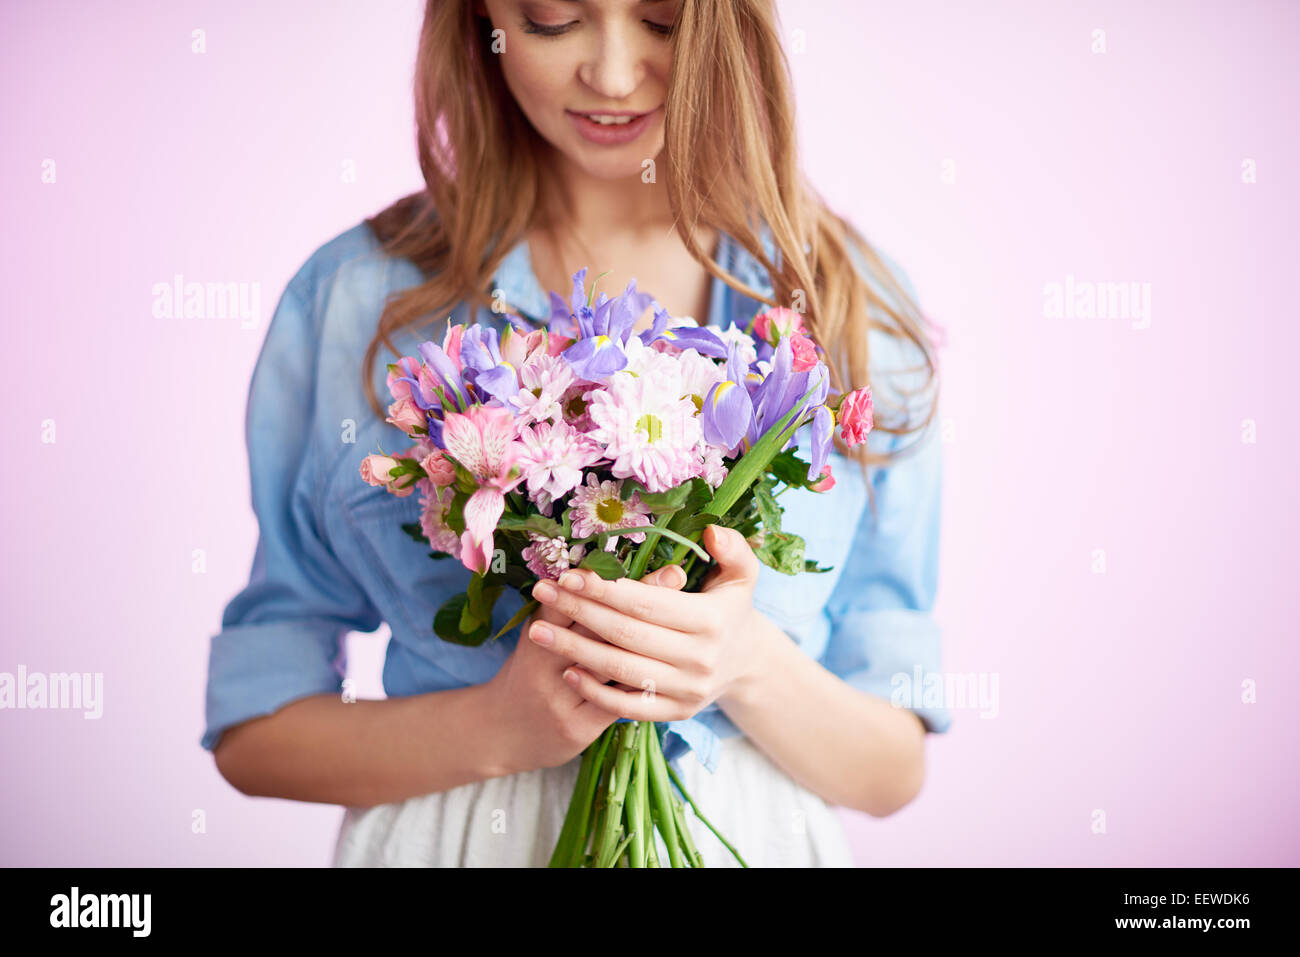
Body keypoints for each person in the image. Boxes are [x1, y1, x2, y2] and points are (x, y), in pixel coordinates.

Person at [202, 0, 952, 867]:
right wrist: (494, 728)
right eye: (553, 19)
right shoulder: (355, 302)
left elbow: (892, 767)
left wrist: (747, 665)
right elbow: (253, 733)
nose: (611, 73)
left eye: (664, 21)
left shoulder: (850, 307)